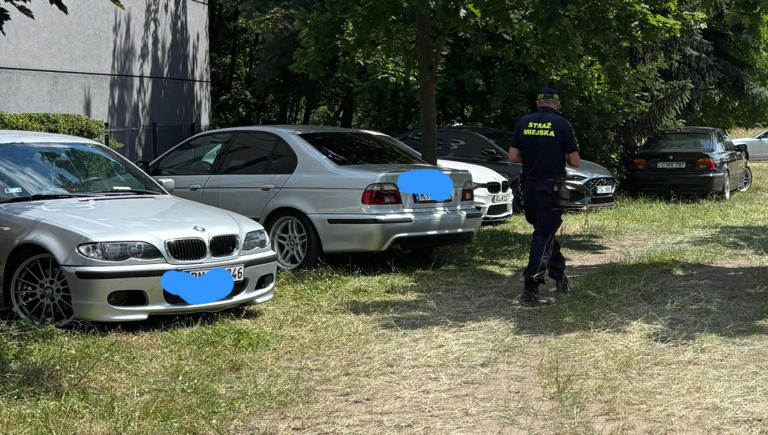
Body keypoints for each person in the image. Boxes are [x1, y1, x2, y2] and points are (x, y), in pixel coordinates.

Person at [508, 88, 581, 307]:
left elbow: (512, 157)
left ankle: (559, 276)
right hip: (551, 188)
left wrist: (533, 157)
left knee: (545, 232)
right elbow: (575, 162)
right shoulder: (562, 124)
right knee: (543, 235)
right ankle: (530, 288)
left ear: (538, 103)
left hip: (528, 187)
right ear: (556, 105)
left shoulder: (524, 122)